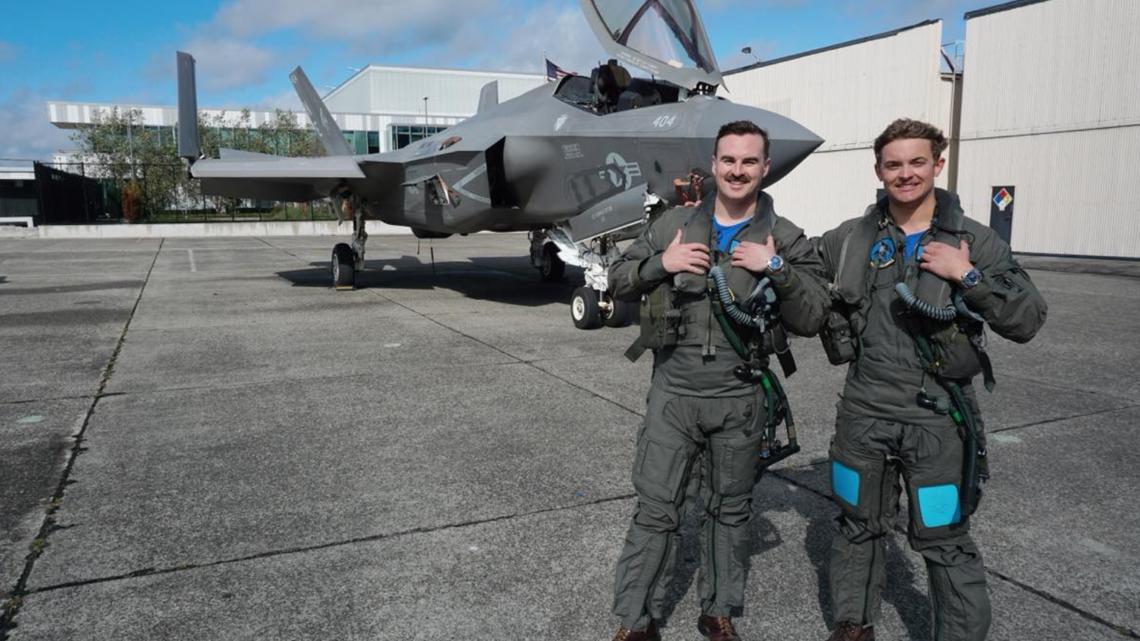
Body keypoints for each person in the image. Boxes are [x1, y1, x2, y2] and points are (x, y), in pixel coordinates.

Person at [815, 118, 1047, 641]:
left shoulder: (973, 241)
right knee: (857, 527)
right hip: (863, 415)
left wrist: (967, 276)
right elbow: (798, 268)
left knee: (944, 537)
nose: (905, 174)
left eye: (917, 162)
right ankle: (853, 625)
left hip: (936, 419)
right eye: (893, 164)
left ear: (937, 164)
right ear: (878, 170)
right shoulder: (850, 238)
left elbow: (1028, 319)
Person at [607, 120, 829, 641]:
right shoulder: (673, 226)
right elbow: (616, 278)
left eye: (749, 161)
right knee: (656, 511)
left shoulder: (786, 237)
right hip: (674, 397)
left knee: (729, 512)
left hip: (739, 397)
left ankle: (718, 611)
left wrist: (777, 266)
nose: (737, 170)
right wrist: (661, 263)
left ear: (765, 168)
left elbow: (814, 316)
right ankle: (634, 621)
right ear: (713, 164)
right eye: (728, 159)